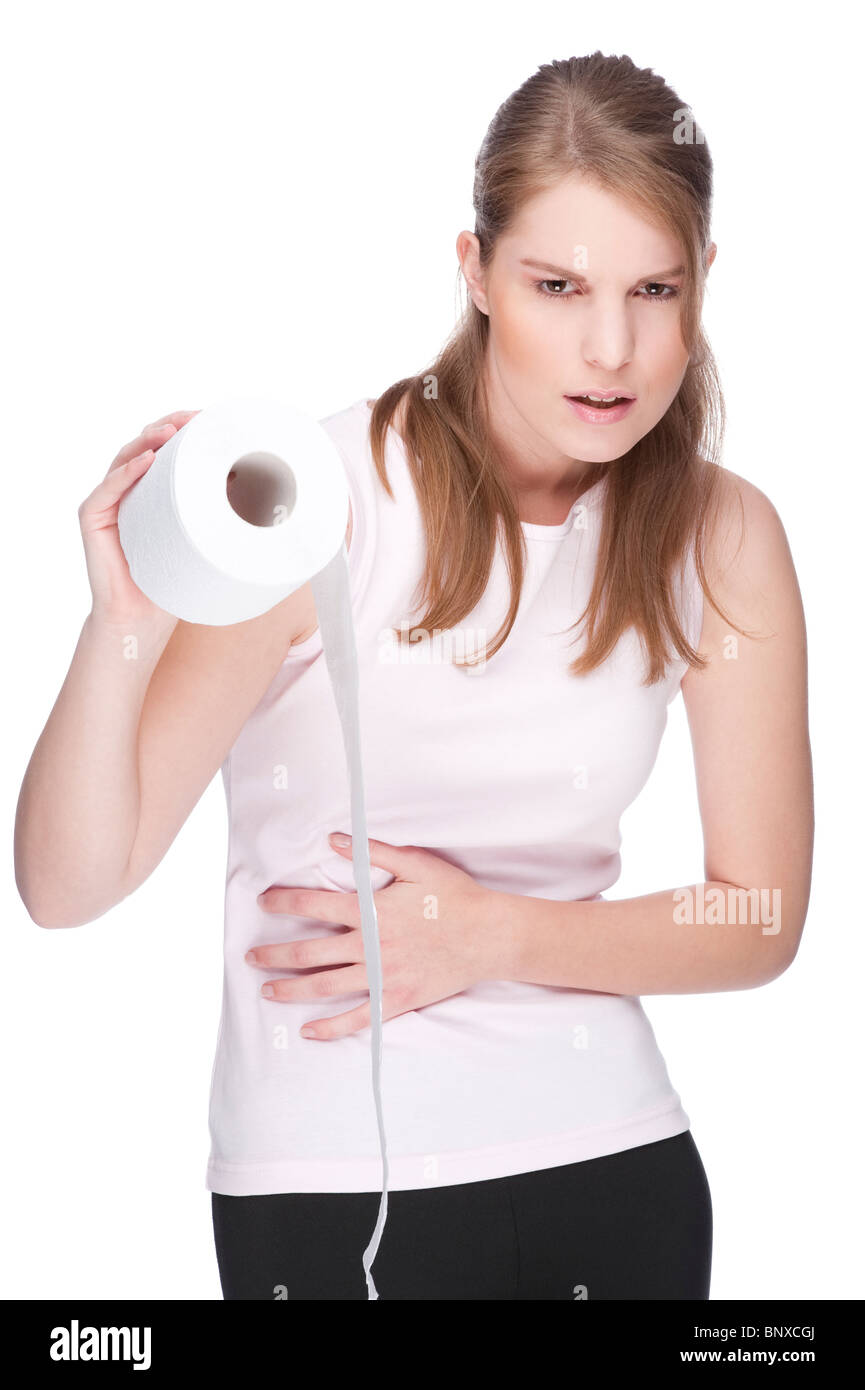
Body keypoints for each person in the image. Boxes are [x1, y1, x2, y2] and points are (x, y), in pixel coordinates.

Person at [14, 52, 813, 1301]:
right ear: (476, 271)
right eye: (558, 285)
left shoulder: (722, 535)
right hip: (329, 1194)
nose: (612, 349)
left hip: (613, 1167)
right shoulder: (315, 506)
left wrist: (491, 934)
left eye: (654, 288)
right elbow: (67, 887)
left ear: (703, 283)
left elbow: (757, 918)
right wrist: (116, 625)